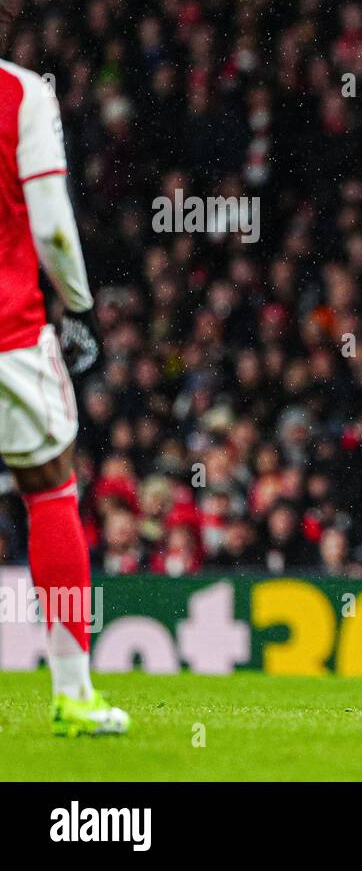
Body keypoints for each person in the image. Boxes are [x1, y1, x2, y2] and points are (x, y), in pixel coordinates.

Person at [0, 57, 128, 736]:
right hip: (10, 336)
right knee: (50, 489)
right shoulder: (20, 92)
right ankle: (74, 694)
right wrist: (77, 306)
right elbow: (50, 223)